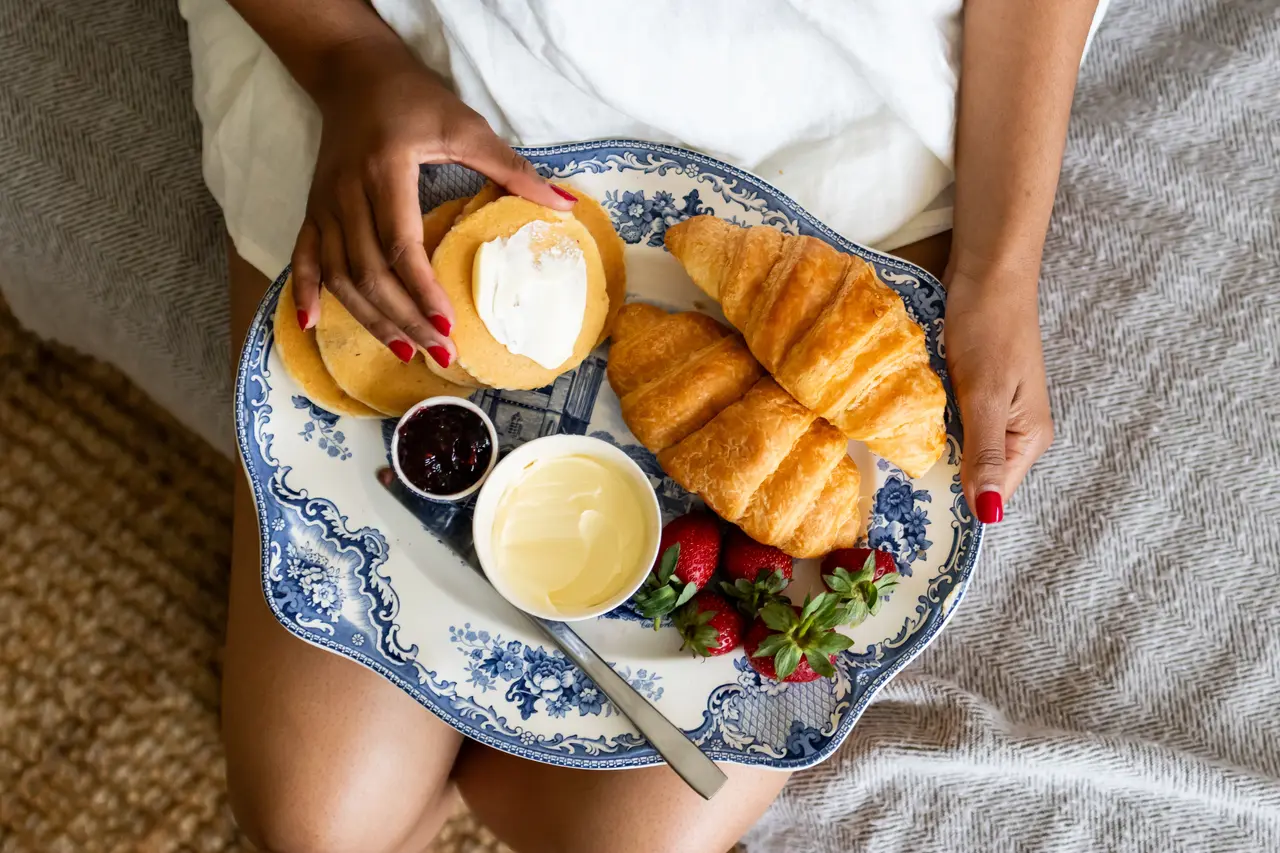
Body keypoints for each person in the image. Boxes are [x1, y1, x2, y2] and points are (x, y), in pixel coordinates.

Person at [197, 1, 1106, 850]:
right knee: (317, 818)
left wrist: (999, 273)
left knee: (633, 838)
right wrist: (347, 60)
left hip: (829, 105)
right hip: (434, 63)